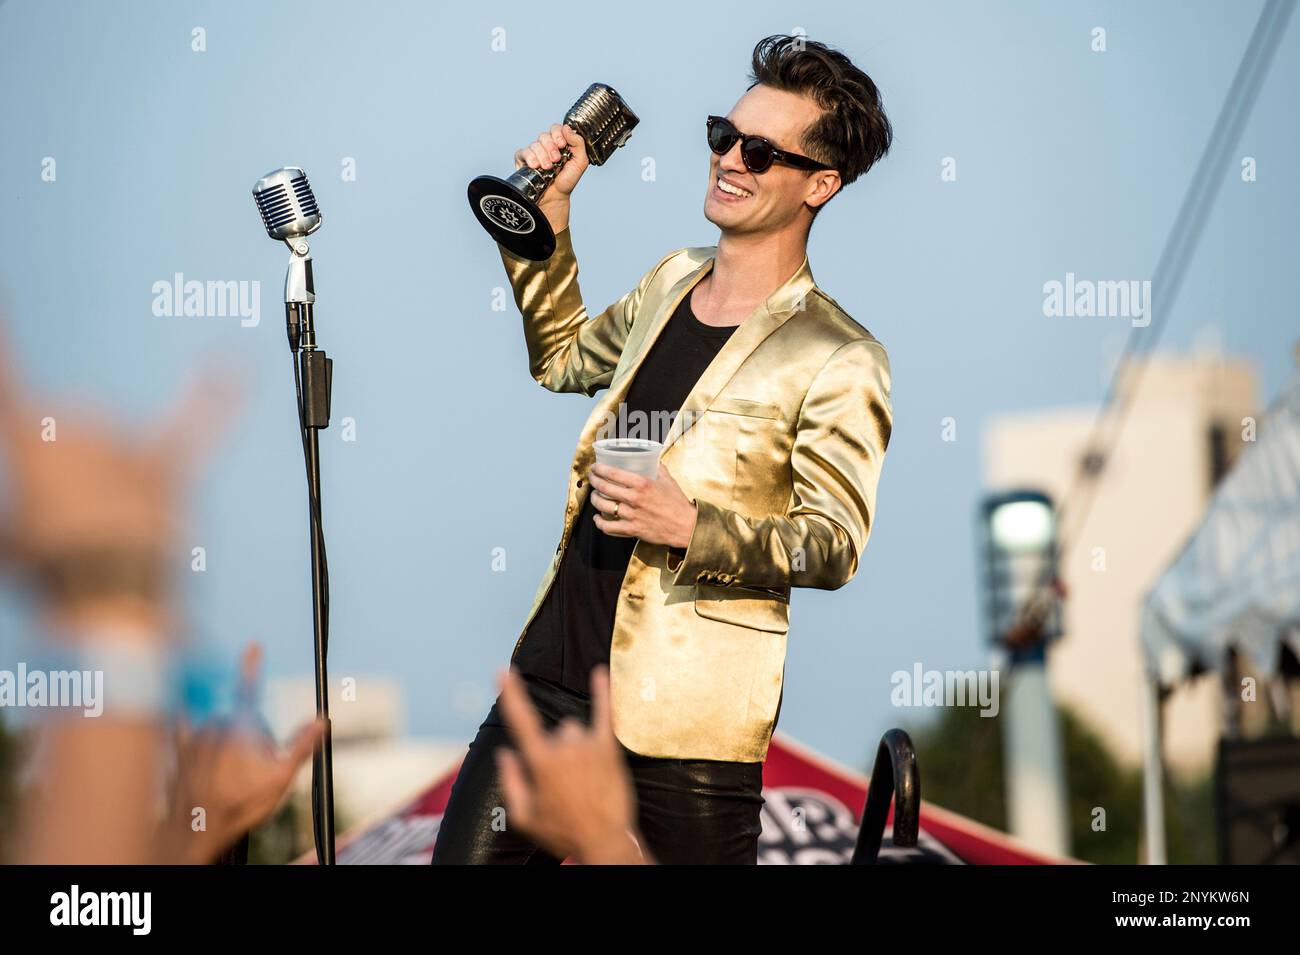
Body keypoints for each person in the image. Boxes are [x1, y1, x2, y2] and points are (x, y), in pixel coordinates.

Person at [433, 34, 894, 865]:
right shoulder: (671, 277)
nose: (729, 160)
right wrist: (549, 223)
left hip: (689, 715)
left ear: (820, 183)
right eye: (724, 134)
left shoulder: (840, 353)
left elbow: (835, 544)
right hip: (553, 673)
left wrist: (694, 525)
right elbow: (562, 358)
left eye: (760, 150)